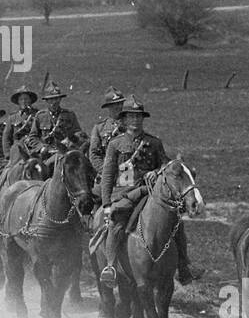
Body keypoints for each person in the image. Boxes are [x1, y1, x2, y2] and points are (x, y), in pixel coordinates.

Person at [98, 96, 193, 288]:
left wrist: (155, 171)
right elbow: (108, 175)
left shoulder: (154, 142)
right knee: (116, 222)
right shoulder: (116, 144)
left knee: (176, 224)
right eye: (131, 117)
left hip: (150, 192)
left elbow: (166, 165)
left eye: (138, 117)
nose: (135, 120)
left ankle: (183, 266)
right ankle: (111, 266)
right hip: (124, 193)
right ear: (124, 120)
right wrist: (107, 203)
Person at [27, 83, 87, 159]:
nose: (54, 102)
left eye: (56, 99)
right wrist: (41, 147)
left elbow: (78, 133)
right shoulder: (40, 116)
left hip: (66, 153)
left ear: (60, 99)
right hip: (47, 154)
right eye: (51, 99)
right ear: (46, 101)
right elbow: (32, 137)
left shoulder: (69, 115)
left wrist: (69, 140)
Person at [88, 86, 127, 185]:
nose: (118, 107)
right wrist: (106, 172)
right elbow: (94, 154)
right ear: (108, 107)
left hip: (128, 174)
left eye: (120, 103)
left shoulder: (131, 125)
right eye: (114, 105)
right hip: (106, 174)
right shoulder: (99, 128)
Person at [2, 84, 40, 160]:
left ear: (30, 101)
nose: (24, 101)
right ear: (18, 102)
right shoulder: (12, 118)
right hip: (18, 150)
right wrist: (8, 155)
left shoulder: (38, 115)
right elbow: (6, 137)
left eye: (26, 99)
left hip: (35, 148)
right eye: (21, 99)